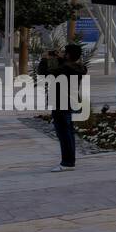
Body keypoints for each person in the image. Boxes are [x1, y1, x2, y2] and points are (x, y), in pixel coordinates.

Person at [40, 43, 86, 172]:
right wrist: (60, 58)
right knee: (68, 133)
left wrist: (44, 59)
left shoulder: (64, 69)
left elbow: (43, 75)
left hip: (60, 104)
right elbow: (67, 66)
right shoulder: (79, 67)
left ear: (68, 55)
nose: (63, 54)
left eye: (65, 53)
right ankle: (70, 161)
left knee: (63, 134)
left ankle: (67, 163)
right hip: (69, 102)